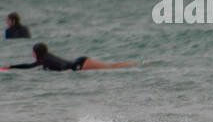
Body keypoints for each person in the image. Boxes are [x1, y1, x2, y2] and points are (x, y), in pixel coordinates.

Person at [2, 43, 138, 71]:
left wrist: (11, 67)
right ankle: (135, 64)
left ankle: (135, 64)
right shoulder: (48, 58)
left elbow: (29, 66)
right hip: (80, 61)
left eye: (33, 52)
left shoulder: (45, 60)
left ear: (37, 53)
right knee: (110, 67)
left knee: (110, 68)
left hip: (79, 65)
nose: (32, 54)